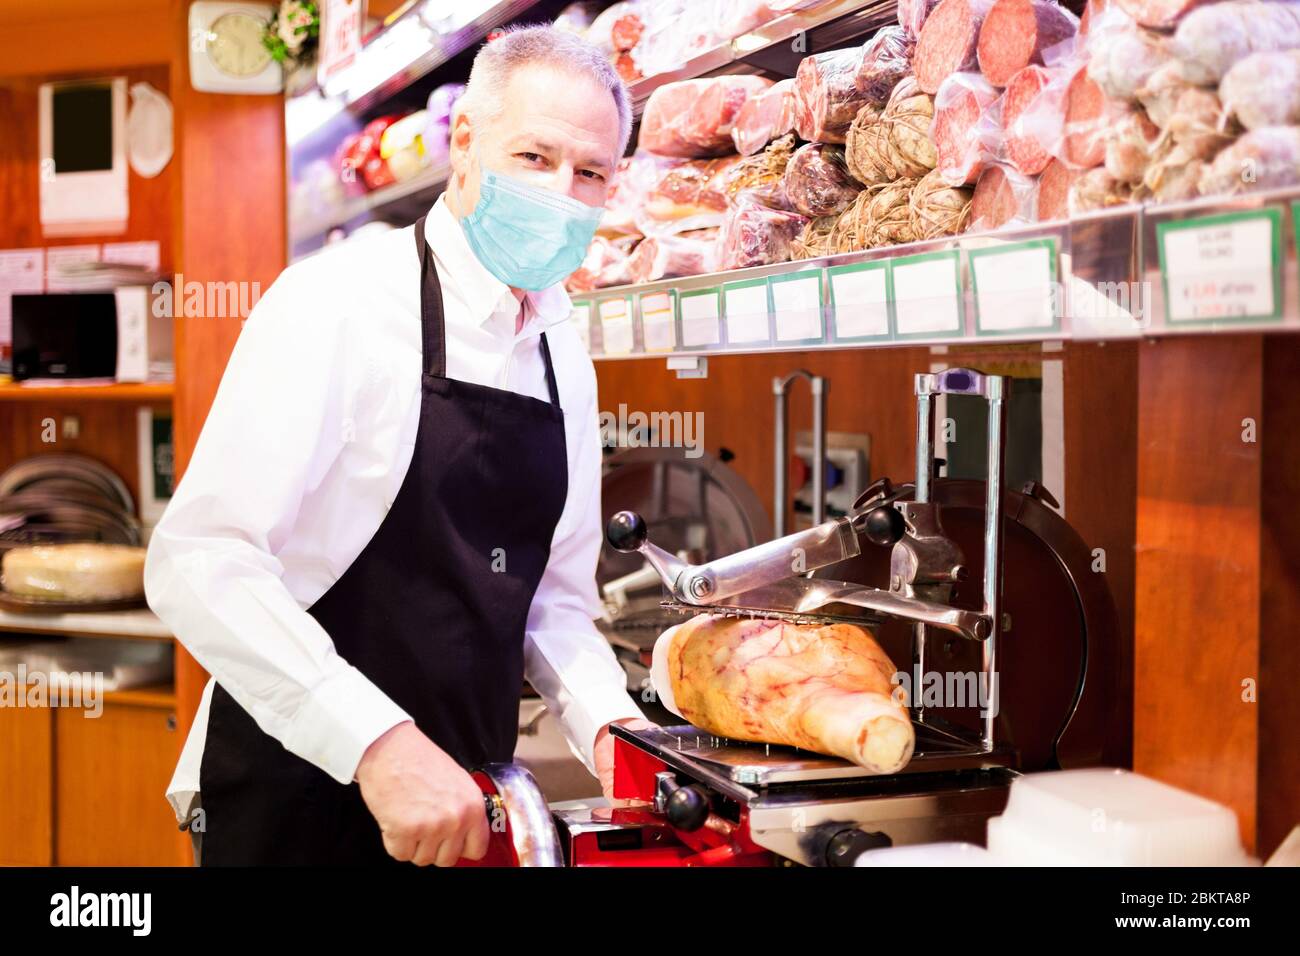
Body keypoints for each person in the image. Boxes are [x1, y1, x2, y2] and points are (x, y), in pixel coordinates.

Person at [144, 24, 653, 867]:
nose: (563, 193)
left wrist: (613, 727)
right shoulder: (335, 302)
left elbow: (555, 602)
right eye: (535, 158)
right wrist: (377, 743)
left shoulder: (564, 344)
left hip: (464, 809)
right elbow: (201, 559)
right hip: (294, 793)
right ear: (464, 143)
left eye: (590, 173)